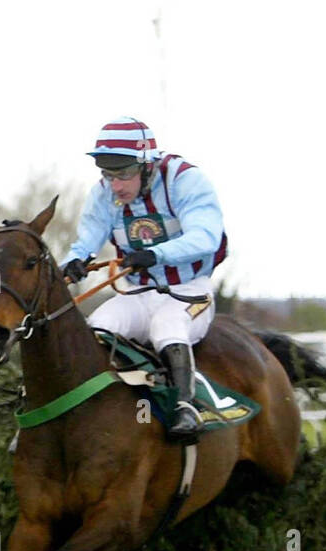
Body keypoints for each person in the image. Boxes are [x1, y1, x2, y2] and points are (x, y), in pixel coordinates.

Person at [60, 117, 228, 440]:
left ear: (147, 164)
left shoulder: (185, 181)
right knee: (96, 328)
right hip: (138, 292)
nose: (116, 186)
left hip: (188, 290)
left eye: (124, 173)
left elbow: (207, 237)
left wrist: (156, 254)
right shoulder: (103, 194)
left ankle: (185, 408)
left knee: (166, 327)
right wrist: (73, 263)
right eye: (108, 174)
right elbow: (85, 242)